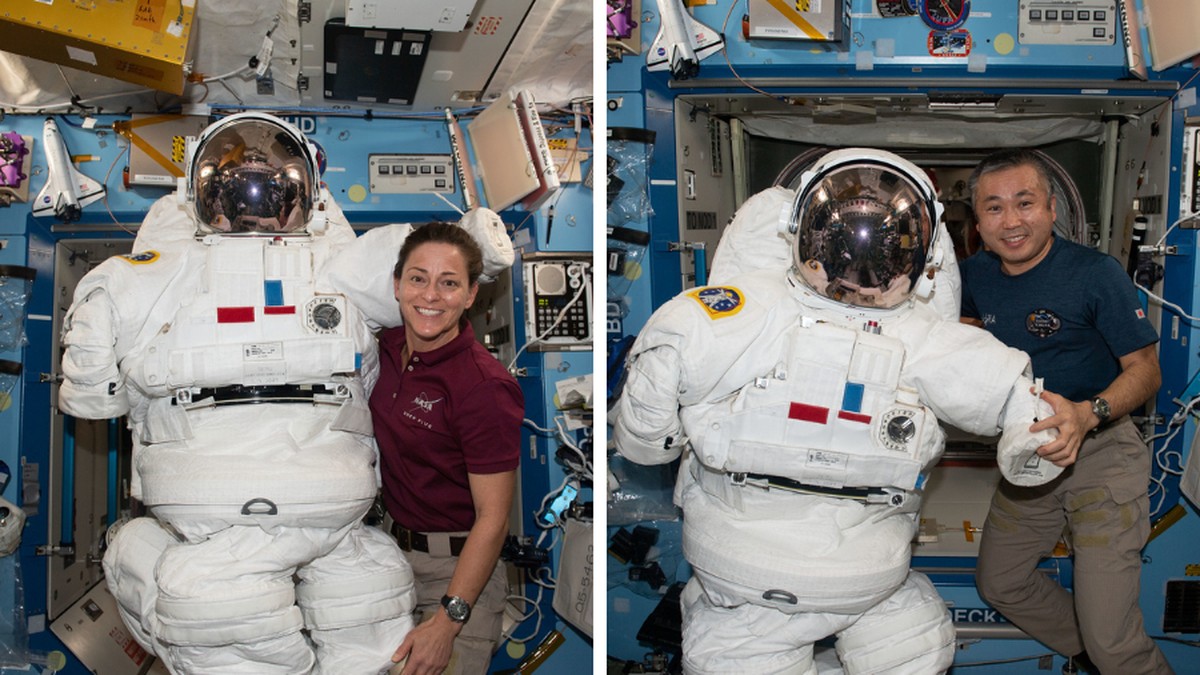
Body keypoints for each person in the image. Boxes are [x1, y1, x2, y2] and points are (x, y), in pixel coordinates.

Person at [58, 112, 513, 675]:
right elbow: (92, 393)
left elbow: (91, 398)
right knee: (262, 610)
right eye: (239, 187)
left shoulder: (336, 265)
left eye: (271, 188)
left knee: (320, 608)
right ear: (205, 199)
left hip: (286, 502)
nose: (254, 200)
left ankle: (146, 560)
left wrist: (475, 247)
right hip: (275, 499)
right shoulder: (164, 267)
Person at [613, 148, 1059, 674]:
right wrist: (1031, 439)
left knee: (902, 649)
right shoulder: (759, 308)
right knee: (911, 648)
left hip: (774, 569)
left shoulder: (753, 316)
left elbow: (645, 431)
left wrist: (1029, 430)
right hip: (840, 575)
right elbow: (1009, 394)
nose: (862, 267)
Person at [962, 148, 1172, 674]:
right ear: (978, 222)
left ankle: (1108, 652)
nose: (1011, 221)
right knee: (1000, 581)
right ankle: (1089, 653)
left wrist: (1088, 412)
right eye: (994, 208)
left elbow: (1147, 371)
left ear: (1052, 209)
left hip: (1102, 451)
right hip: (1029, 455)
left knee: (1116, 639)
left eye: (1025, 203)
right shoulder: (971, 278)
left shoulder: (1094, 274)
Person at [371, 222, 523, 675]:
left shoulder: (484, 388)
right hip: (388, 554)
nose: (431, 296)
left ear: (471, 295)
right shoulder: (384, 346)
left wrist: (448, 620)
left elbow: (493, 519)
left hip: (457, 571)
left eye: (449, 283)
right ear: (397, 285)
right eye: (418, 278)